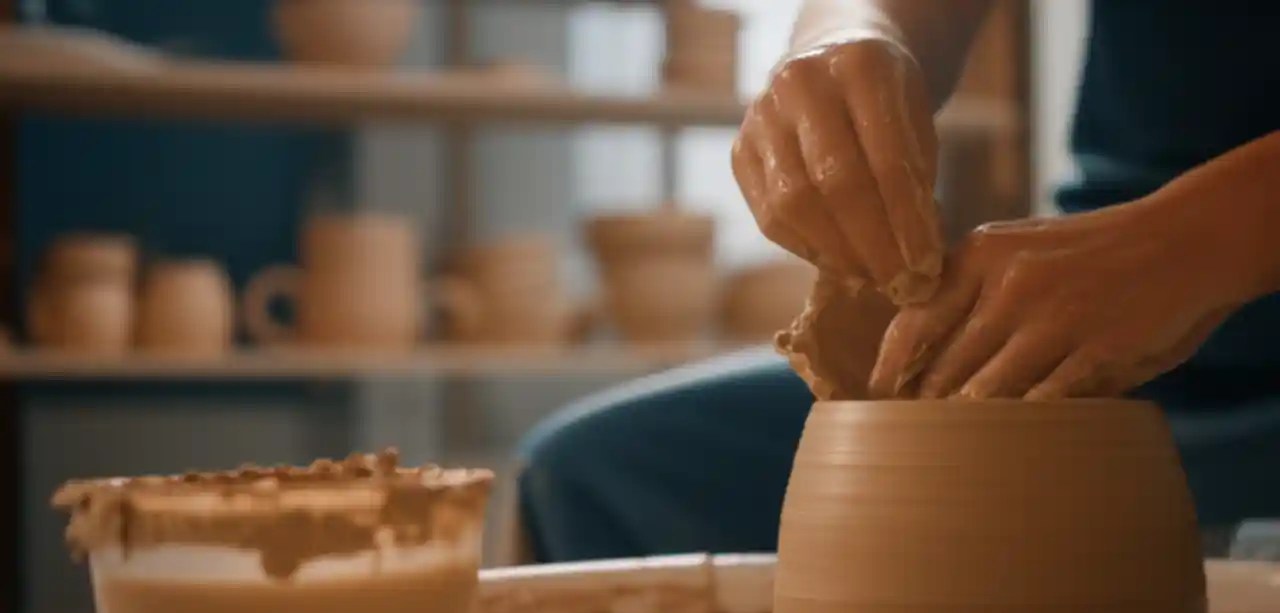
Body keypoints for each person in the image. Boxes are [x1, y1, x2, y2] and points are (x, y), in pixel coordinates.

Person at [517, 0, 1280, 562]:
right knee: (596, 477)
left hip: (1207, 311)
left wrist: (1187, 247)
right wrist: (851, 34)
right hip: (1093, 318)